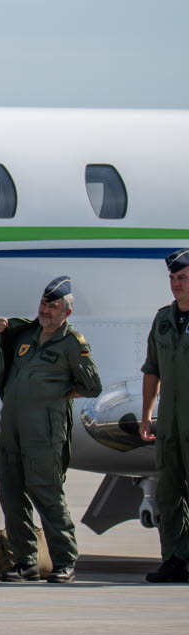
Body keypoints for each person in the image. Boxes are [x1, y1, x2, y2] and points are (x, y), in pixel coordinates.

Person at [0, 276, 101, 583]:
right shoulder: (25, 336)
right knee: (11, 495)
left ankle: (64, 560)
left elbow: (91, 386)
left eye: (53, 306)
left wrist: (59, 393)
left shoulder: (73, 343)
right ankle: (27, 561)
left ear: (67, 312)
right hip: (12, 430)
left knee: (47, 494)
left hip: (44, 432)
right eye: (44, 304)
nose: (46, 311)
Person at [142, 249, 189, 583]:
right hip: (171, 420)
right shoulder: (162, 319)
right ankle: (174, 558)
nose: (176, 284)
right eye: (173, 278)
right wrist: (147, 415)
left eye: (182, 278)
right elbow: (152, 370)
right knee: (168, 492)